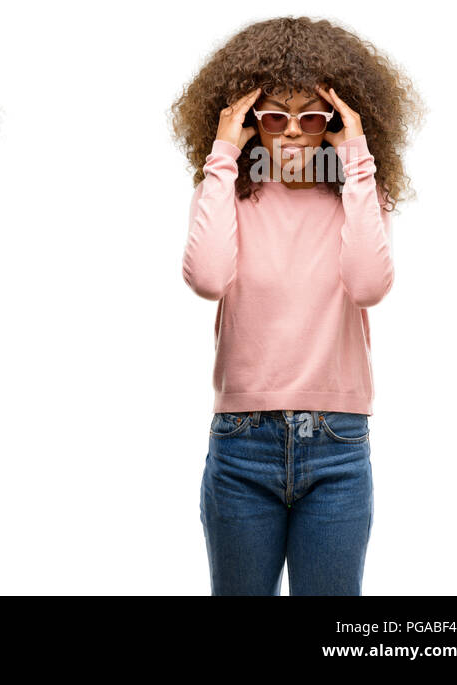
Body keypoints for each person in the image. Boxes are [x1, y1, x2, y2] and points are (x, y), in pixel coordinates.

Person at [172, 17, 421, 595]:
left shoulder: (360, 194)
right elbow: (207, 278)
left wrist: (357, 161)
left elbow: (368, 287)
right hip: (241, 443)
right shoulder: (226, 190)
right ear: (249, 120)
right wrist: (223, 155)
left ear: (334, 122)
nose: (291, 134)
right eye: (273, 116)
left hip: (337, 444)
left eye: (311, 117)